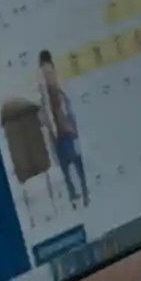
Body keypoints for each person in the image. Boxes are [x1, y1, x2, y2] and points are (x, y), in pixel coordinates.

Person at [37, 50, 89, 208]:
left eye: (50, 72)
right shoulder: (43, 96)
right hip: (57, 136)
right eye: (45, 73)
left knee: (77, 162)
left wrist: (73, 129)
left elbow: (70, 110)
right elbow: (44, 117)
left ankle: (85, 192)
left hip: (68, 133)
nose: (48, 76)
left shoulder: (62, 90)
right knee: (66, 168)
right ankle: (73, 196)